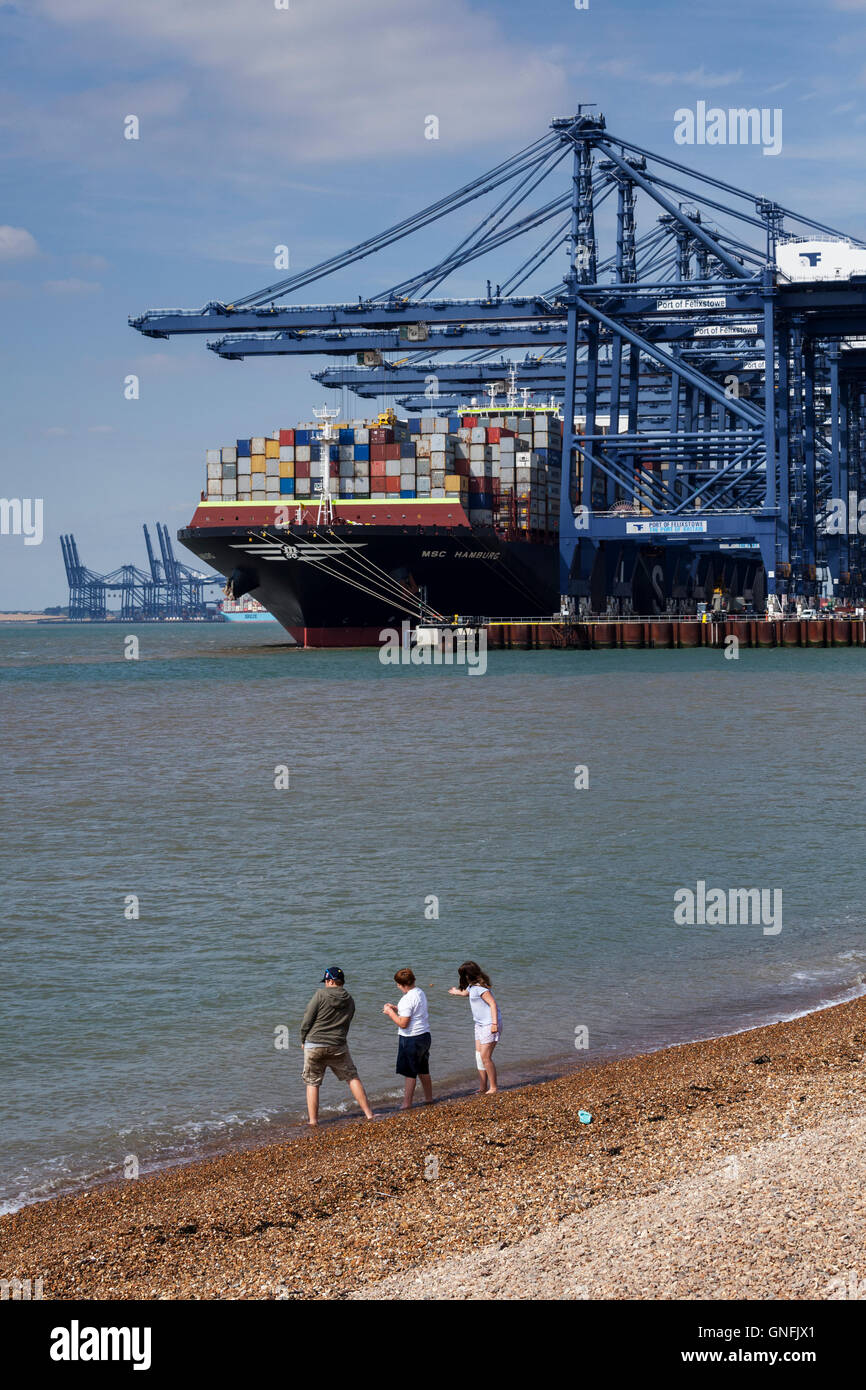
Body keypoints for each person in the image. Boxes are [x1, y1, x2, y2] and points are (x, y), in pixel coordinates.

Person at [300, 966, 374, 1125]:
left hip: (314, 1044)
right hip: (338, 1045)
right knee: (352, 1077)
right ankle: (369, 1114)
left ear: (331, 980)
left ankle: (313, 1121)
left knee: (312, 1082)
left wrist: (303, 1039)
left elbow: (307, 1018)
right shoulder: (349, 999)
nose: (325, 983)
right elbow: (347, 1021)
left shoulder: (320, 995)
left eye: (326, 981)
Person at [383, 968, 432, 1109]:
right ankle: (428, 1098)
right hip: (424, 1035)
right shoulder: (420, 992)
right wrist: (396, 1008)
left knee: (410, 1072)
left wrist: (390, 1013)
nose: (398, 987)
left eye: (398, 985)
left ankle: (407, 1103)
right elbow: (413, 1011)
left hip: (411, 1038)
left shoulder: (406, 999)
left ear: (401, 984)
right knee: (423, 1068)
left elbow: (403, 1024)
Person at [449, 961, 501, 1095]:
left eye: (463, 975)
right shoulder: (472, 987)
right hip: (479, 1025)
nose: (463, 978)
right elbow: (466, 993)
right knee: (479, 1056)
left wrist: (494, 1024)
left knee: (485, 1057)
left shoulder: (481, 988)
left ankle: (494, 1087)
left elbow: (493, 1004)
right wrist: (455, 992)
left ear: (469, 975)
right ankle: (483, 1086)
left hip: (490, 1024)